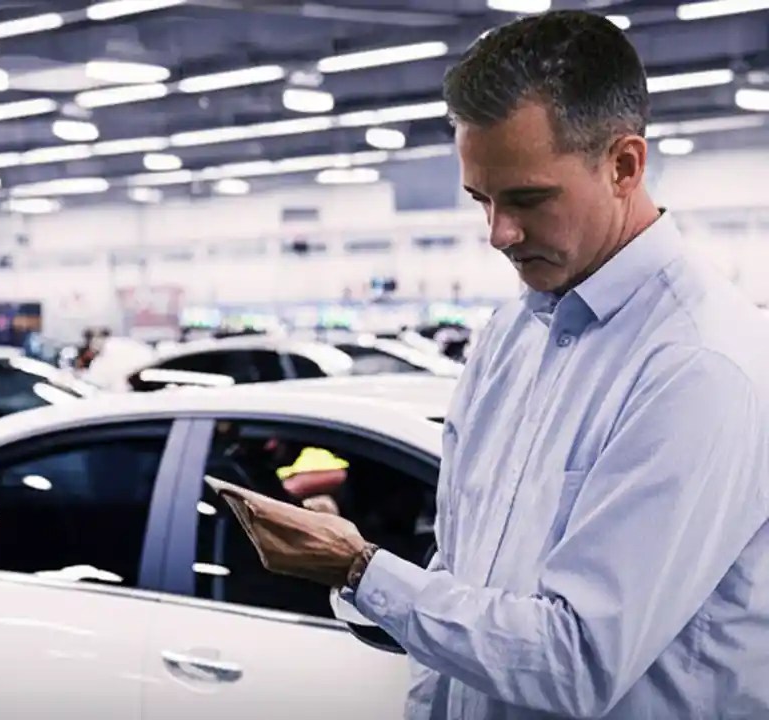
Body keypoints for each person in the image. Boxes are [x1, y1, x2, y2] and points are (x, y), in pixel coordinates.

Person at [224, 11, 769, 719]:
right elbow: (461, 577)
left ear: (624, 165)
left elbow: (576, 659)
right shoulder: (513, 335)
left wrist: (359, 569)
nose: (498, 234)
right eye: (482, 199)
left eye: (527, 200)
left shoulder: (698, 367)